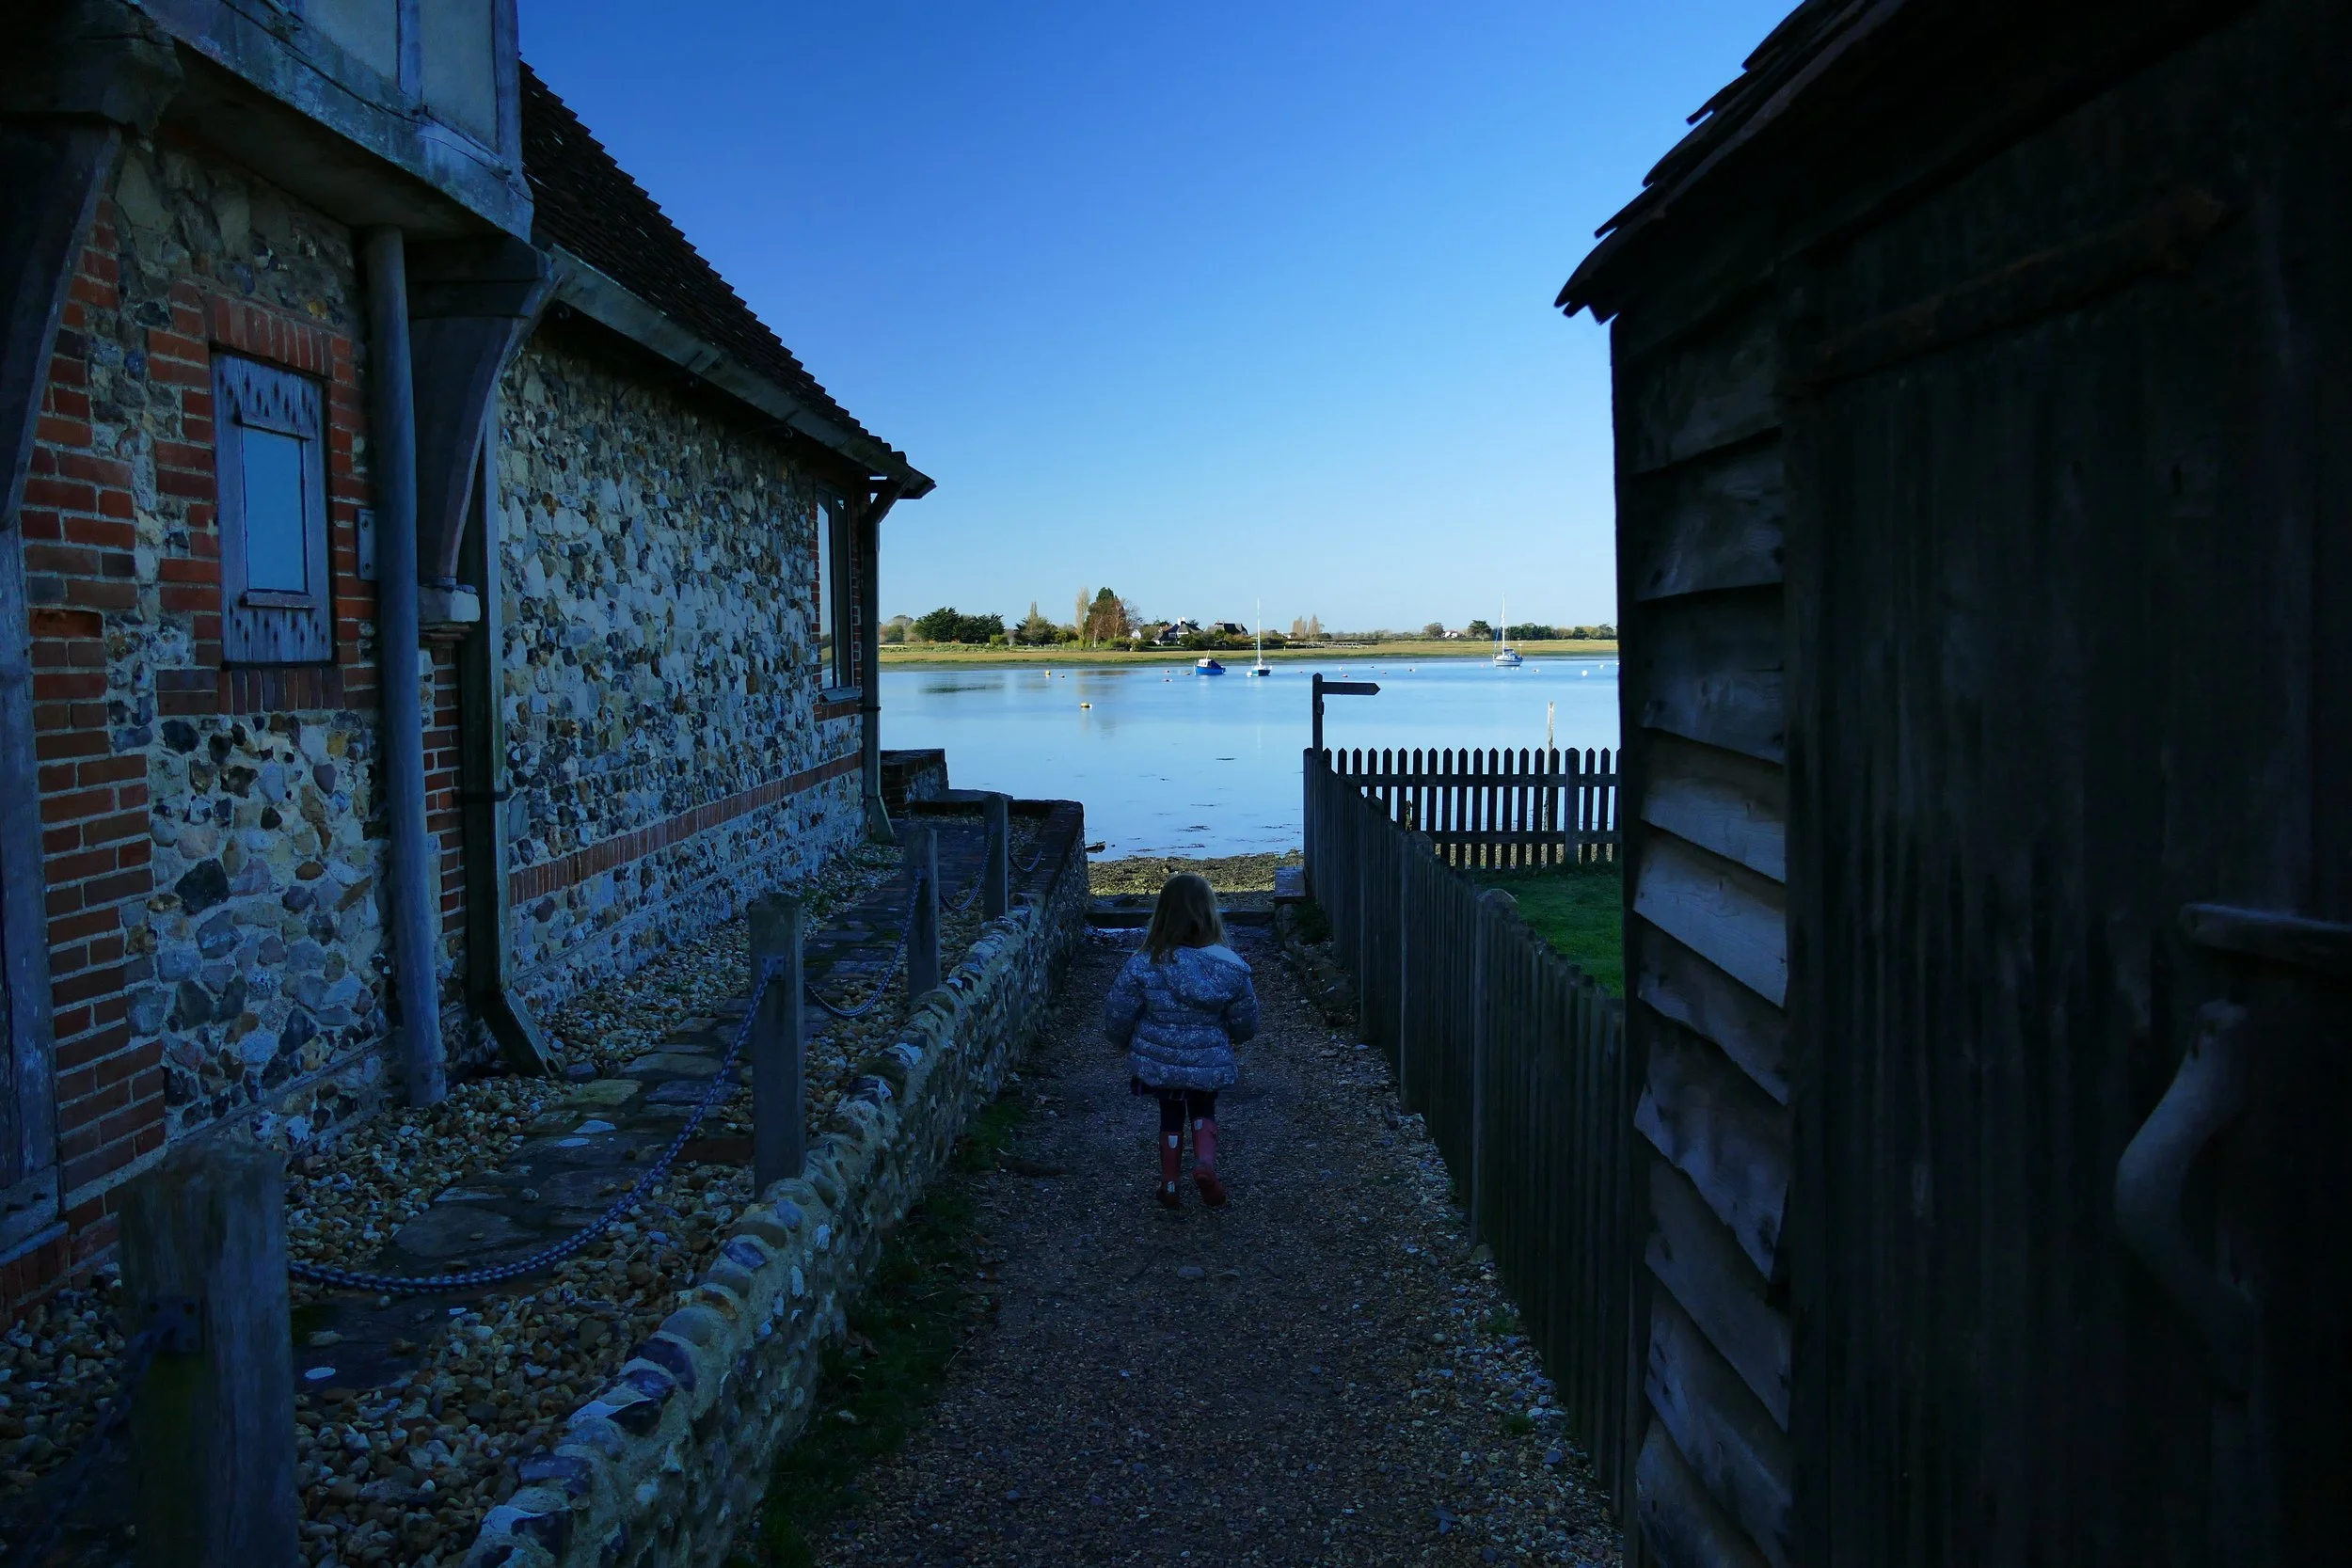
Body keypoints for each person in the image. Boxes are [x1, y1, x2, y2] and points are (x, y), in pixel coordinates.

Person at [1103, 872, 1259, 1209]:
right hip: (1207, 1062)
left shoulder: (1143, 965)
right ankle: (1204, 1165)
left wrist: (1119, 1040)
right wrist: (1237, 1037)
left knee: (1170, 1113)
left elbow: (1118, 1013)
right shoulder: (1230, 968)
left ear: (1162, 914)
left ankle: (1170, 1183)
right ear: (1209, 913)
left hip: (1161, 1063)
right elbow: (1246, 1021)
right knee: (1203, 1108)